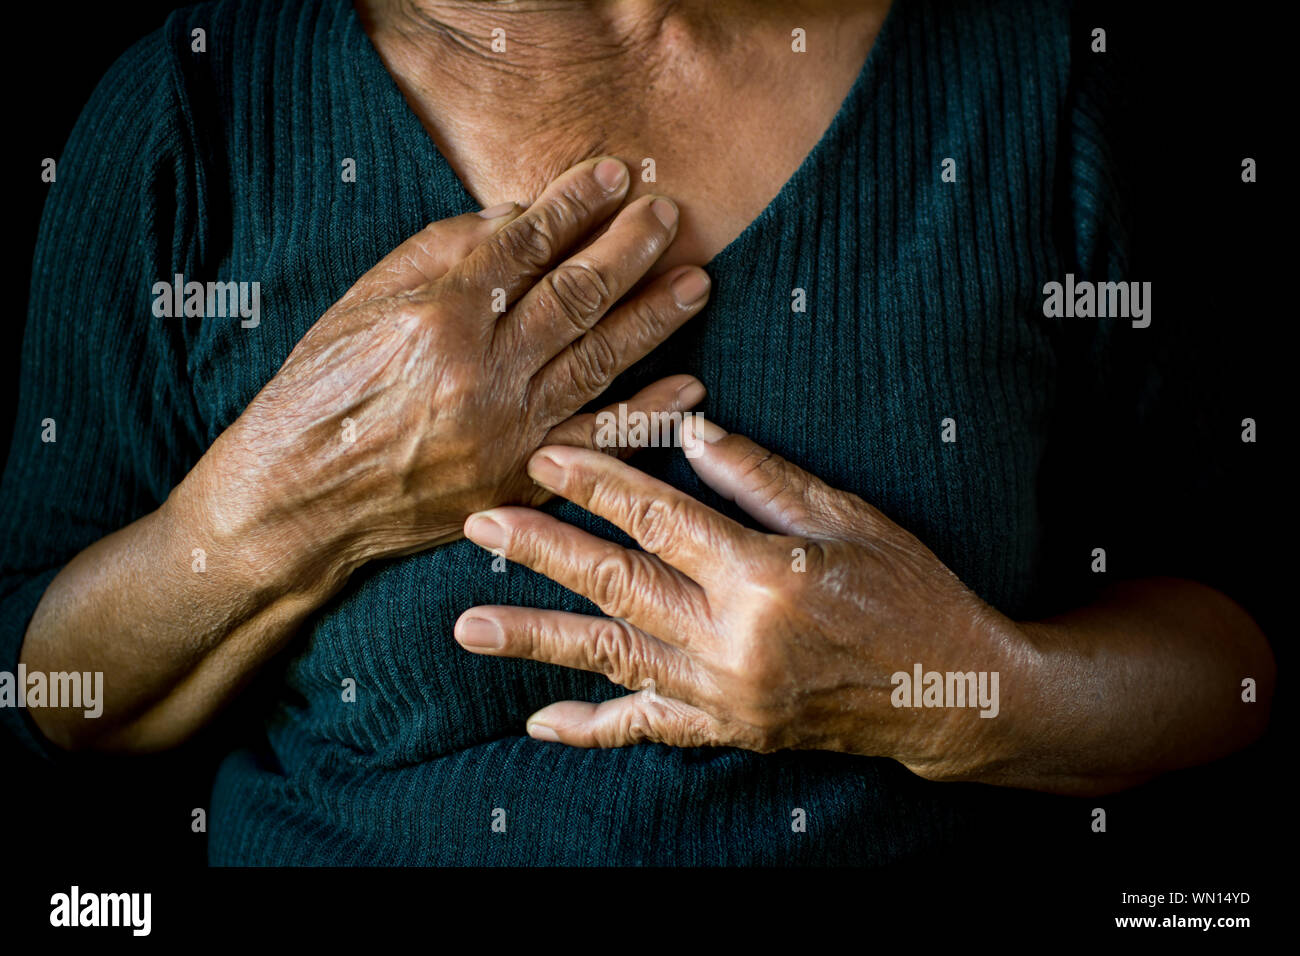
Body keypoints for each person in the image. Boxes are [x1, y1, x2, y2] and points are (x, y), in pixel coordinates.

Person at [0, 0, 1274, 865]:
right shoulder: (200, 113)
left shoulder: (1033, 86)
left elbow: (1237, 658)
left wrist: (947, 692)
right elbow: (45, 686)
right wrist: (312, 498)